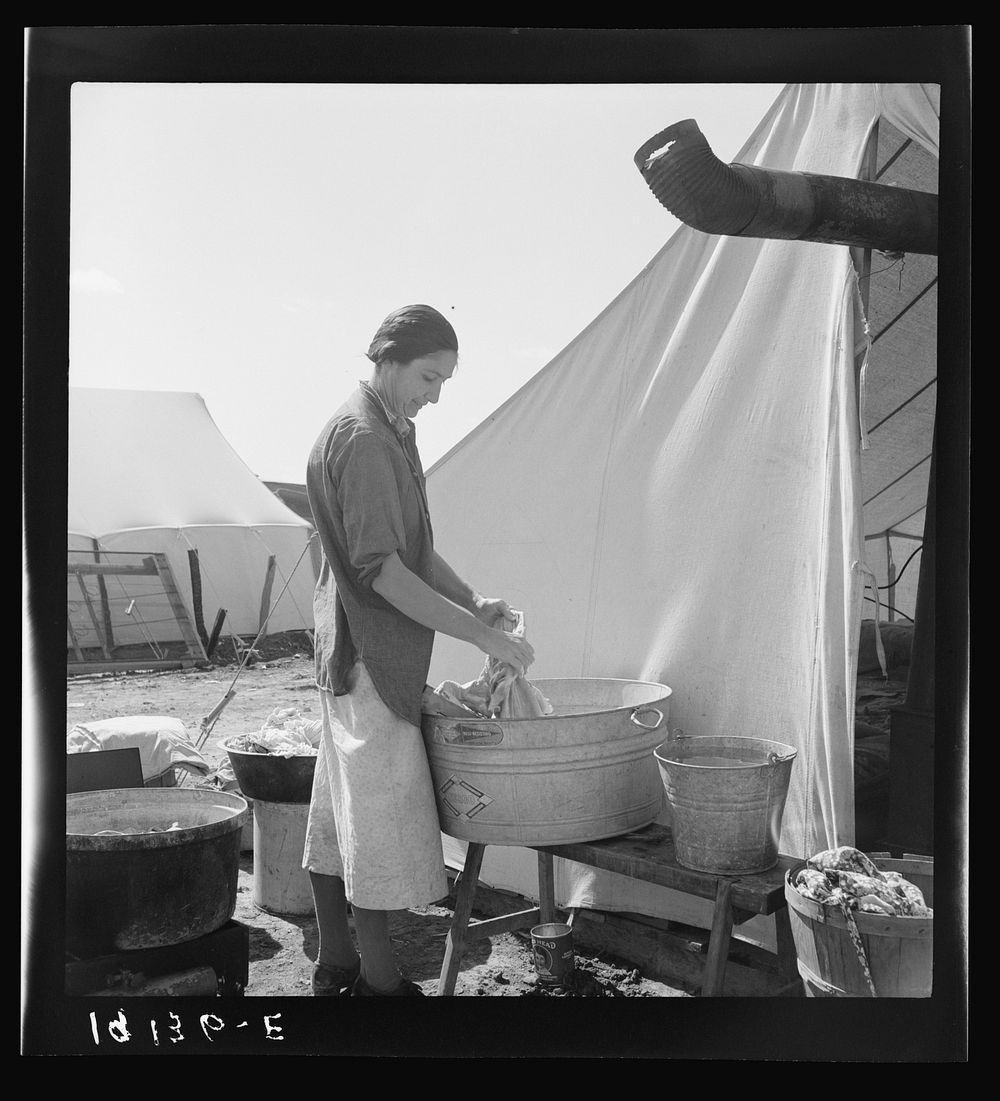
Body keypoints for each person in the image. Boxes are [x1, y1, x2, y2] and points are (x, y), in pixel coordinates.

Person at [302, 304, 535, 996]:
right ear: (390, 358)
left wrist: (473, 600)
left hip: (346, 645)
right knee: (374, 819)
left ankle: (335, 959)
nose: (435, 395)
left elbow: (416, 549)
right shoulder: (367, 438)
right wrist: (483, 637)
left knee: (333, 808)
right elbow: (384, 570)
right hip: (372, 652)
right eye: (430, 377)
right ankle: (378, 981)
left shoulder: (386, 427)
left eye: (443, 382)